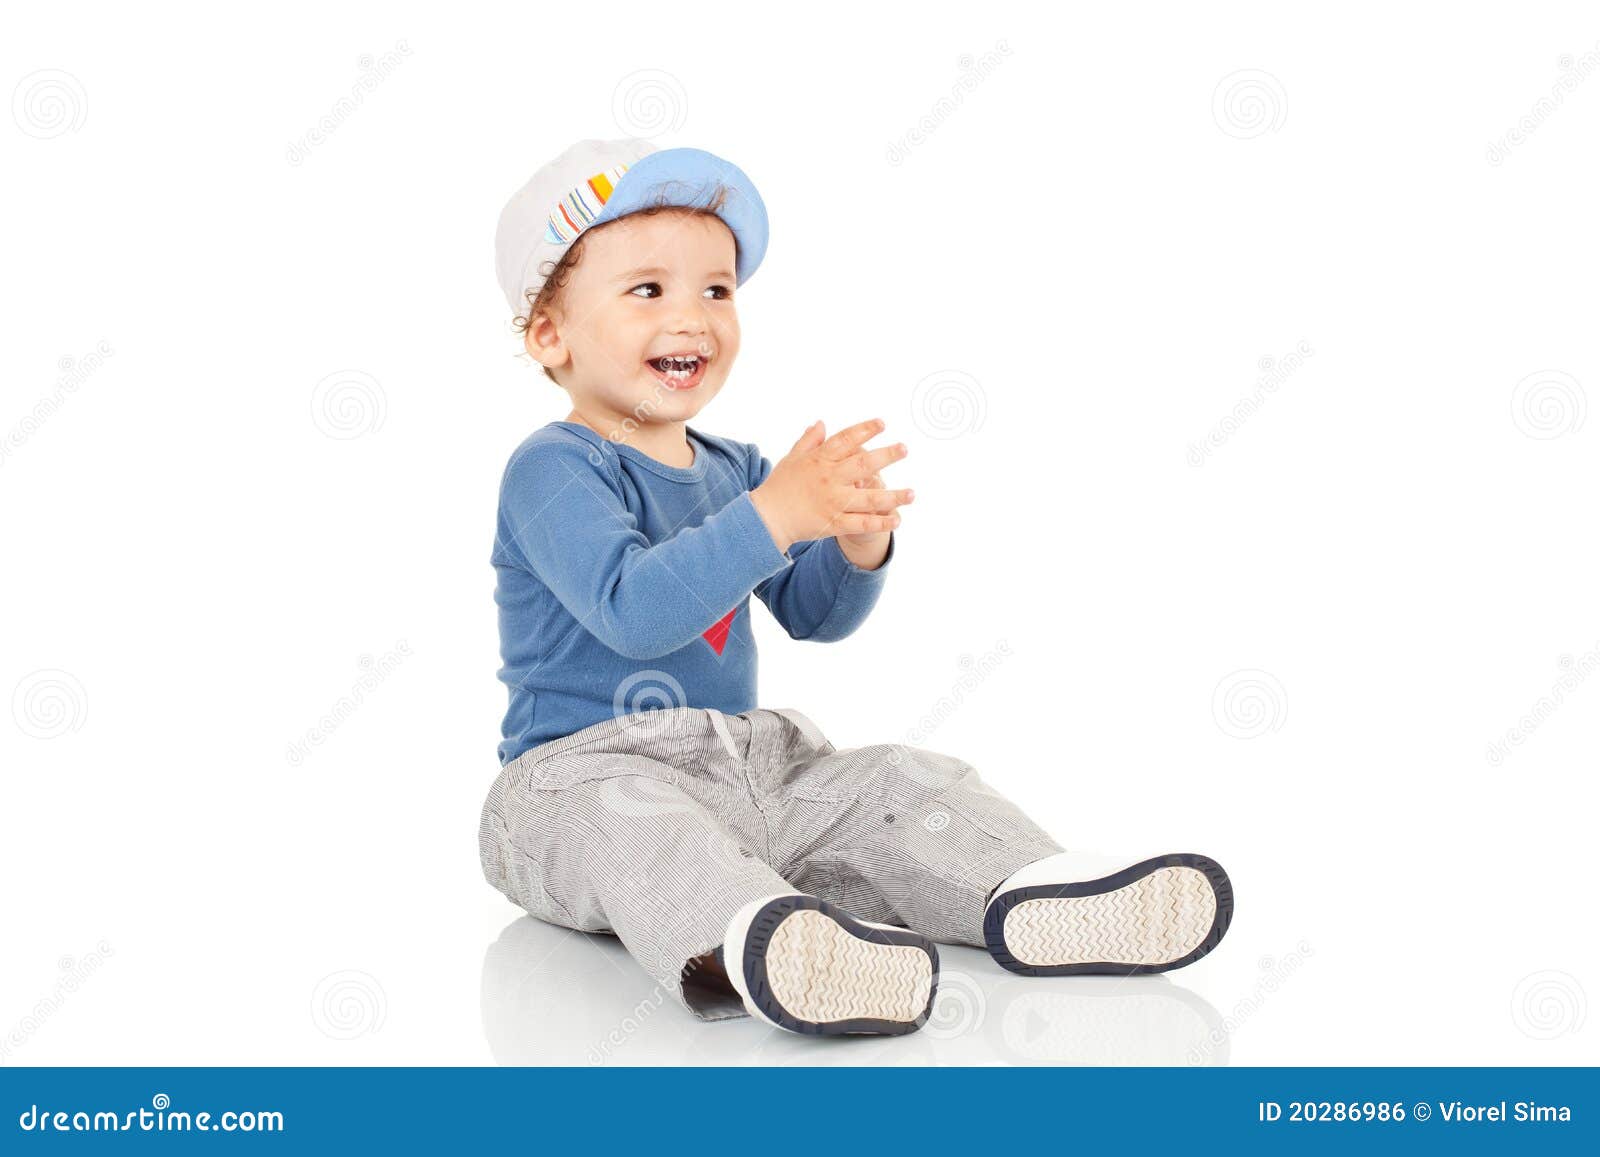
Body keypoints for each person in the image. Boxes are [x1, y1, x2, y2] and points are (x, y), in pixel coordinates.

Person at [478, 139, 1233, 1035]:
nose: (693, 316)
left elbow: (815, 615)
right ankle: (771, 945)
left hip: (743, 768)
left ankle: (1030, 886)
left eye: (716, 290)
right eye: (649, 290)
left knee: (895, 782)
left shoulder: (735, 470)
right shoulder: (554, 469)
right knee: (635, 825)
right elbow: (636, 611)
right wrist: (774, 516)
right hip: (574, 779)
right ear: (550, 334)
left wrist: (854, 544)